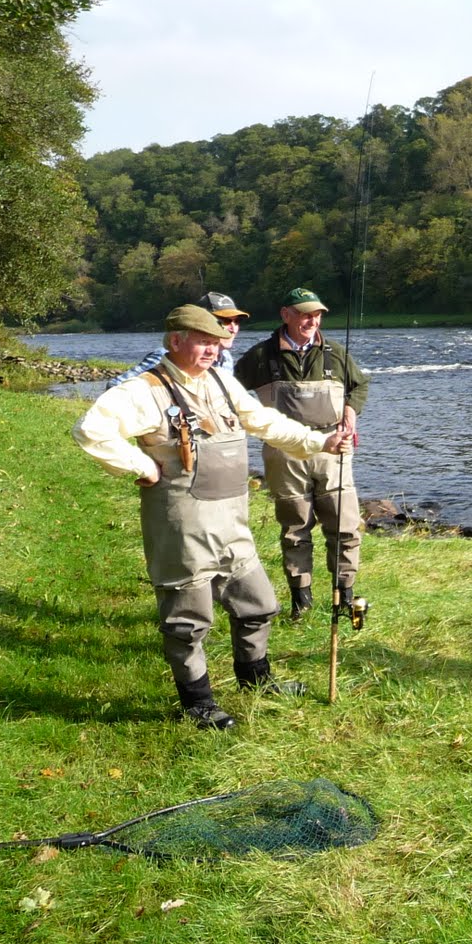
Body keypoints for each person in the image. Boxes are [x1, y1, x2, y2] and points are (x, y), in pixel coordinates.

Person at [73, 305, 353, 729]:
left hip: (231, 523)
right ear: (175, 341)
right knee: (188, 622)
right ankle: (197, 703)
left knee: (258, 605)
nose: (212, 348)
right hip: (183, 524)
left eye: (216, 341)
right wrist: (142, 466)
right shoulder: (143, 390)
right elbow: (90, 430)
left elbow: (265, 422)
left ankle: (255, 680)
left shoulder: (222, 380)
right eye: (202, 340)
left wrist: (320, 442)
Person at [233, 287, 369, 621]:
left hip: (334, 448)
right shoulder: (261, 356)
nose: (313, 320)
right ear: (286, 315)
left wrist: (349, 418)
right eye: (306, 314)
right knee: (295, 527)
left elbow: (359, 386)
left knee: (346, 526)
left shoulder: (335, 353)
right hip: (284, 452)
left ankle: (344, 594)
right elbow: (230, 391)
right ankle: (301, 599)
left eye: (317, 314)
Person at [106, 291, 250, 387]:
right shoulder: (169, 355)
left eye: (236, 321)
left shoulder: (226, 357)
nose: (233, 328)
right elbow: (116, 386)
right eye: (225, 321)